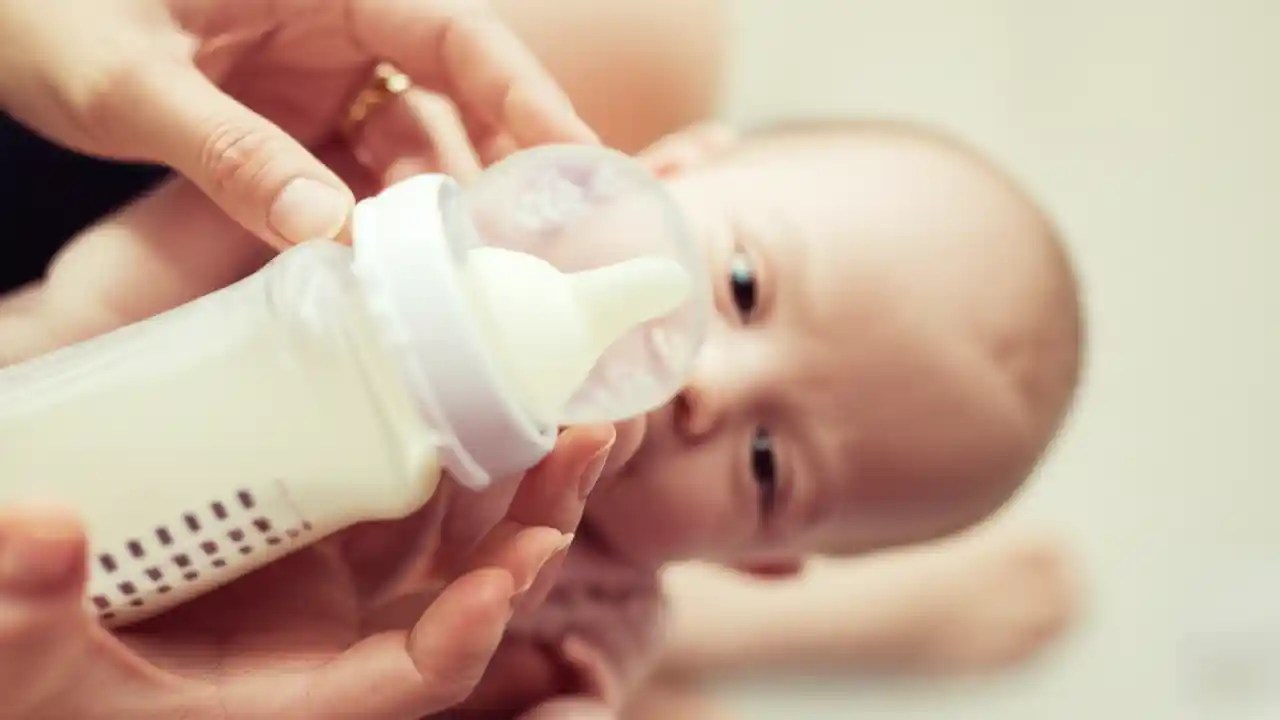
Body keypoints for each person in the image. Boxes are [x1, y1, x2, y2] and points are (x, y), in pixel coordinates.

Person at [2, 98, 1082, 717]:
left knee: (667, 673)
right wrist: (99, 308)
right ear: (661, 169)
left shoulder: (584, 609)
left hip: (130, 645)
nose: (709, 386)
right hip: (70, 399)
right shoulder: (421, 196)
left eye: (765, 467)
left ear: (756, 554)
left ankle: (789, 635)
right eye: (743, 287)